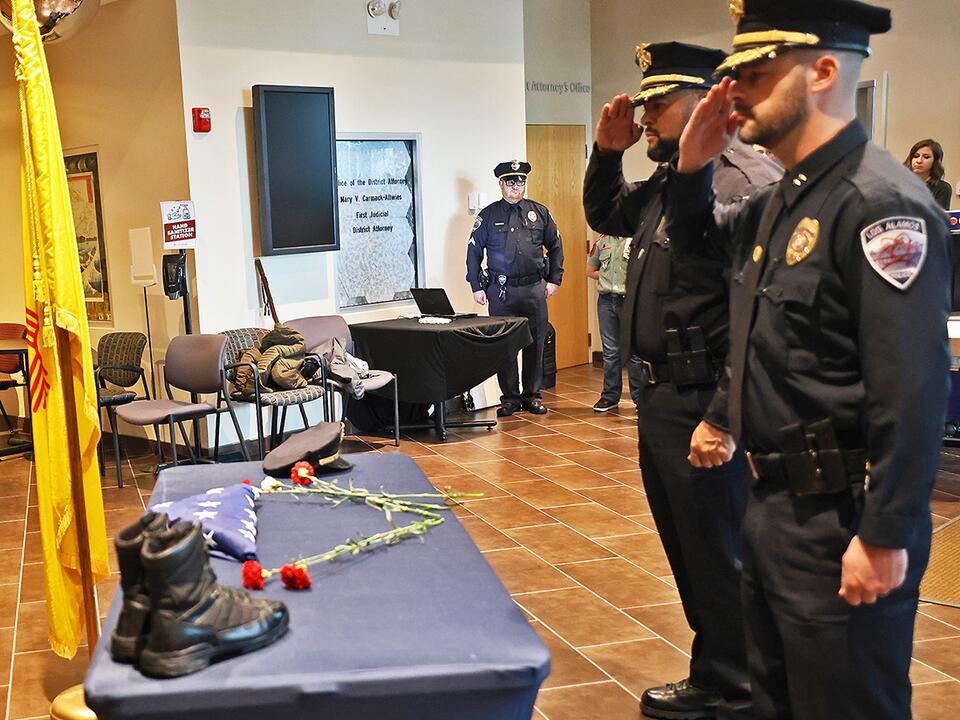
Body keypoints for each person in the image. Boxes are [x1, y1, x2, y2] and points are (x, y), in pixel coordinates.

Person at [665, 1, 951, 718]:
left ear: (824, 71)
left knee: (846, 703)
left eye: (757, 75)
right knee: (780, 702)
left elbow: (911, 390)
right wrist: (693, 163)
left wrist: (884, 534)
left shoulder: (879, 202)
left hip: (840, 515)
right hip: (771, 504)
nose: (737, 94)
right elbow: (696, 242)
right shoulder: (788, 197)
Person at [583, 41, 781, 720]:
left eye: (657, 104)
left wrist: (723, 416)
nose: (643, 118)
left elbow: (754, 317)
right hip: (663, 394)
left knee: (722, 548)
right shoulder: (676, 181)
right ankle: (719, 671)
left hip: (704, 398)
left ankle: (745, 688)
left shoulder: (740, 181)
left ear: (706, 100)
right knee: (691, 546)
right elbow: (608, 216)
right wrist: (606, 156)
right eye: (642, 104)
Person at [466, 161, 564, 416]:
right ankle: (510, 398)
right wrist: (476, 286)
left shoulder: (539, 212)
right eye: (510, 182)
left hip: (533, 289)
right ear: (501, 184)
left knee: (535, 344)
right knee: (505, 347)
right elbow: (473, 253)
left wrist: (554, 280)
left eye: (520, 182)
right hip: (501, 292)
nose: (515, 187)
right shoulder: (487, 216)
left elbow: (555, 246)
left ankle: (532, 396)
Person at [585, 234, 643, 411]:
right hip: (606, 301)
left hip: (630, 301)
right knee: (610, 351)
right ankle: (609, 396)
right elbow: (590, 270)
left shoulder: (637, 240)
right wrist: (606, 279)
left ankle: (640, 397)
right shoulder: (602, 241)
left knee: (634, 352)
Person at [905, 138, 952, 209]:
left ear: (935, 162)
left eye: (926, 157)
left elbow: (938, 217)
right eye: (916, 156)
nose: (919, 161)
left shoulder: (943, 188)